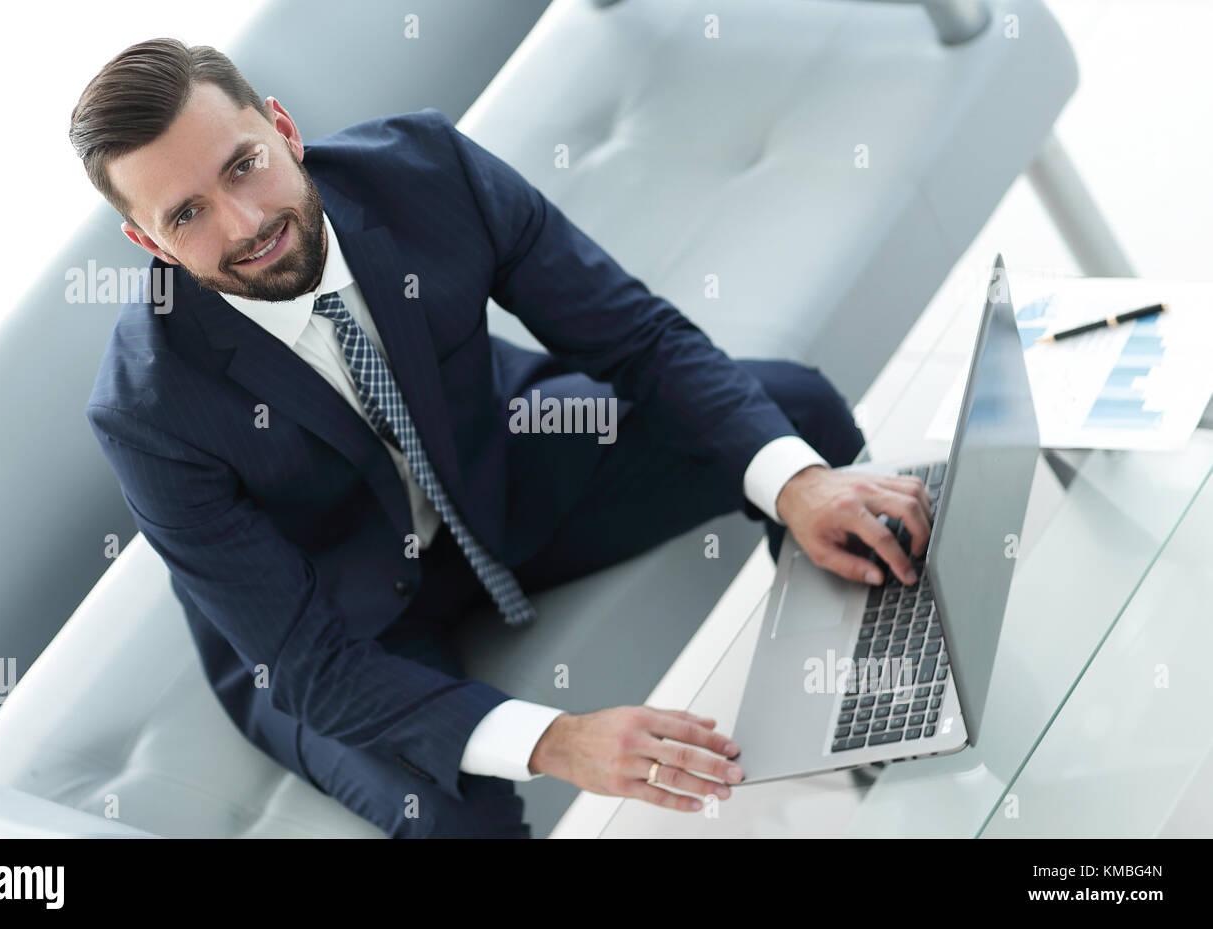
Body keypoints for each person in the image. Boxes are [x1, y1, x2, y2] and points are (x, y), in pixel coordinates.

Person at [71, 38, 932, 838]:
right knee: (454, 823)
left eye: (244, 165)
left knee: (796, 422)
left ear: (284, 130)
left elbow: (636, 340)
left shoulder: (427, 172)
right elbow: (311, 668)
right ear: (148, 241)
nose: (243, 224)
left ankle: (888, 725)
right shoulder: (146, 411)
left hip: (505, 472)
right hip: (342, 621)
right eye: (187, 215)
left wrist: (798, 486)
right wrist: (560, 738)